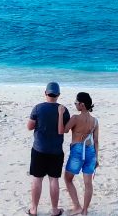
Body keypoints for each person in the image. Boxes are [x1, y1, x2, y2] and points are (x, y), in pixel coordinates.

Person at [26, 82, 70, 216]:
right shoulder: (64, 109)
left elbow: (29, 126)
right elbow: (65, 130)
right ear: (58, 95)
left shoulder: (38, 108)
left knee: (37, 179)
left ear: (45, 93)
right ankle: (55, 210)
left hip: (39, 149)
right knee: (54, 179)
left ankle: (33, 209)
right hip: (56, 151)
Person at [57, 92, 98, 216]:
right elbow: (96, 141)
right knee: (88, 183)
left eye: (76, 103)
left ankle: (77, 206)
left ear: (82, 105)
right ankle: (85, 211)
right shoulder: (95, 121)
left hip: (78, 150)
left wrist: (60, 115)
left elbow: (63, 130)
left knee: (68, 179)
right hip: (91, 152)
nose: (75, 105)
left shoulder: (75, 118)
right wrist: (97, 157)